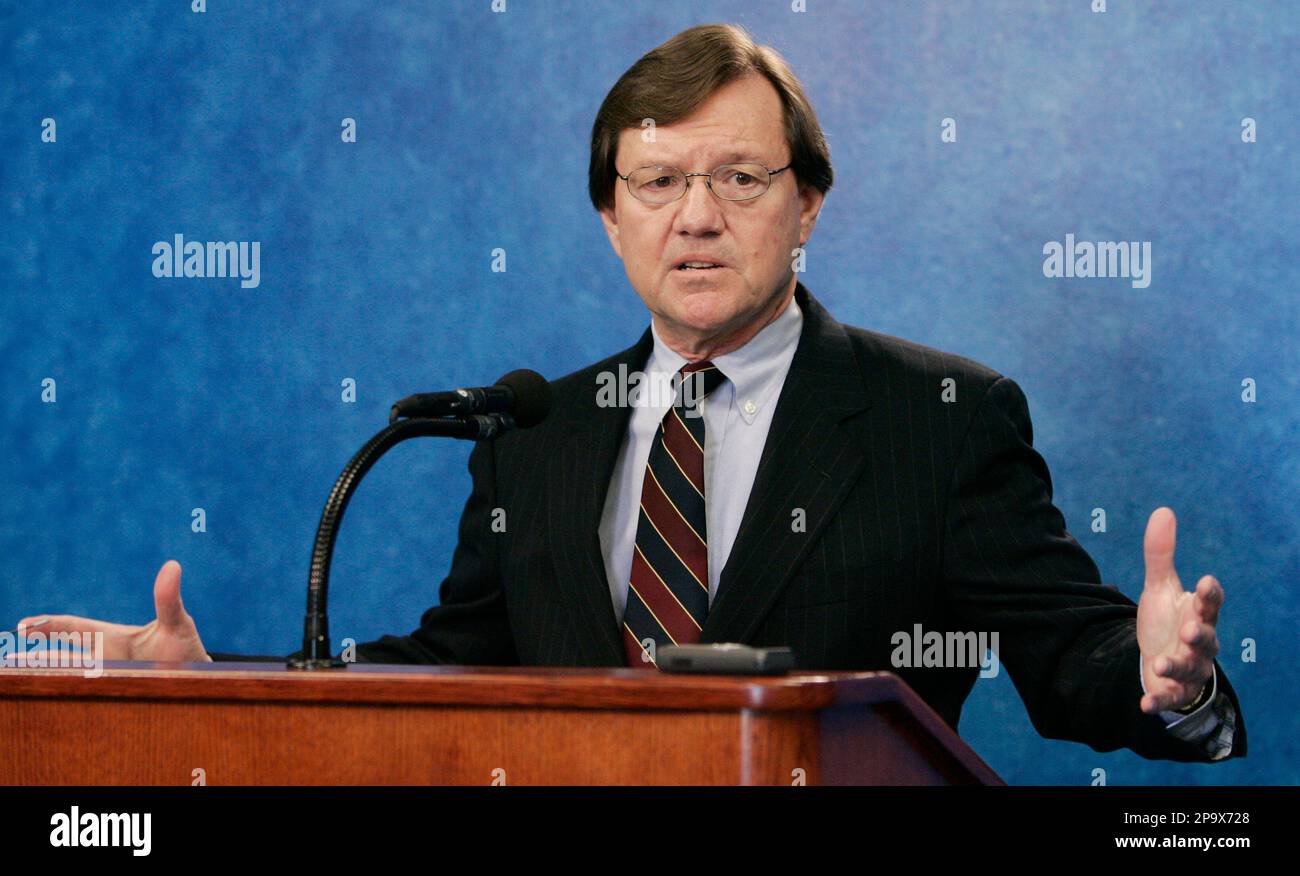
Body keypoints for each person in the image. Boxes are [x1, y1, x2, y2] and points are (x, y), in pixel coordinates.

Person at [16, 24, 1243, 763]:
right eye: (655, 182)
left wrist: (1160, 678)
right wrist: (212, 682)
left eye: (740, 178)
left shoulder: (943, 419)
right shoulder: (534, 437)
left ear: (810, 201)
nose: (696, 216)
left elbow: (1071, 656)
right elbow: (452, 673)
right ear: (610, 217)